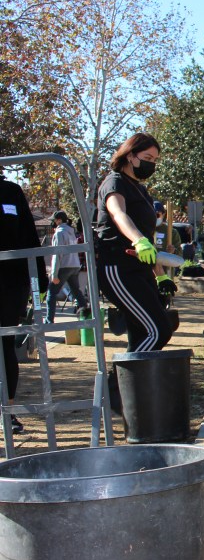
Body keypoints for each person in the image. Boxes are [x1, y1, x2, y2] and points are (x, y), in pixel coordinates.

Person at [95, 132, 175, 352]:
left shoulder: (140, 190)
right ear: (130, 155)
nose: (152, 164)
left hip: (141, 270)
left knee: (142, 334)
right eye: (147, 158)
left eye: (155, 161)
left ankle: (125, 386)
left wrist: (160, 276)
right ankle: (123, 380)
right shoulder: (114, 182)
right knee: (159, 331)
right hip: (118, 269)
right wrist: (137, 240)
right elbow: (119, 214)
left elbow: (148, 241)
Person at [0, 174, 46, 434]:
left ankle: (7, 411)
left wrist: (40, 278)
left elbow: (29, 234)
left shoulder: (11, 191)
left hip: (11, 283)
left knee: (5, 342)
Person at [44, 210, 89, 324]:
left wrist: (54, 273)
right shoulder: (71, 232)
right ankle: (87, 314)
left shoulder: (59, 233)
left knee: (51, 293)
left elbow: (57, 253)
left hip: (64, 265)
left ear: (59, 220)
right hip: (74, 265)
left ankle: (49, 320)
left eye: (54, 220)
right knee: (76, 291)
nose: (53, 222)